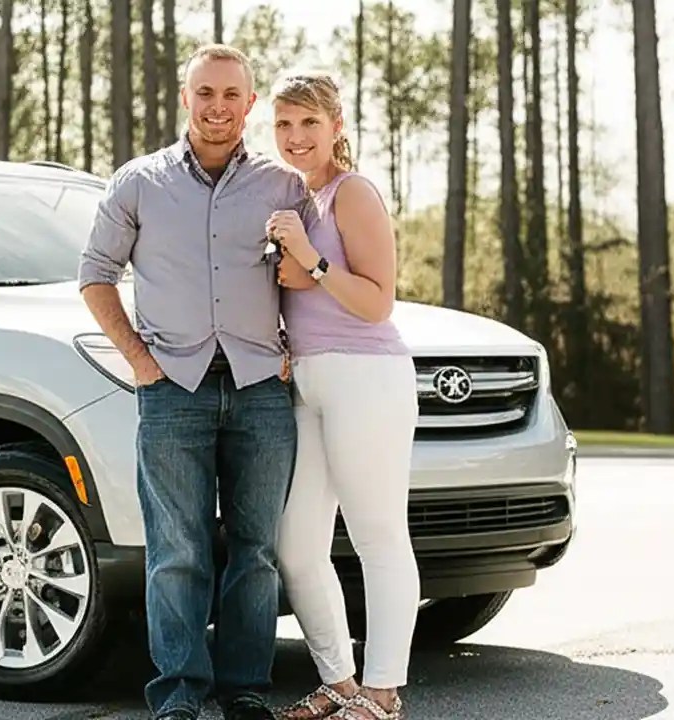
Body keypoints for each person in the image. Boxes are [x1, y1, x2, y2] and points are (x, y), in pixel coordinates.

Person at [78, 44, 318, 720]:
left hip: (261, 390)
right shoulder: (138, 182)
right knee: (177, 551)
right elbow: (95, 273)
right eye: (205, 93)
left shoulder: (284, 187)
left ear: (249, 104)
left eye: (232, 96)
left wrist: (298, 348)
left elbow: (314, 274)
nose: (218, 107)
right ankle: (179, 694)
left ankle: (244, 690)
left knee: (258, 551)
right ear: (186, 99)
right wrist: (139, 360)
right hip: (171, 389)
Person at [264, 70, 418, 720]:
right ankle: (340, 683)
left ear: (337, 127)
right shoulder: (293, 199)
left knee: (377, 535)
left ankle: (383, 693)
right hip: (308, 386)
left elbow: (378, 303)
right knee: (297, 546)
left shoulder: (352, 195)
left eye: (308, 124)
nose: (297, 138)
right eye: (284, 125)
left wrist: (313, 262)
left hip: (366, 379)